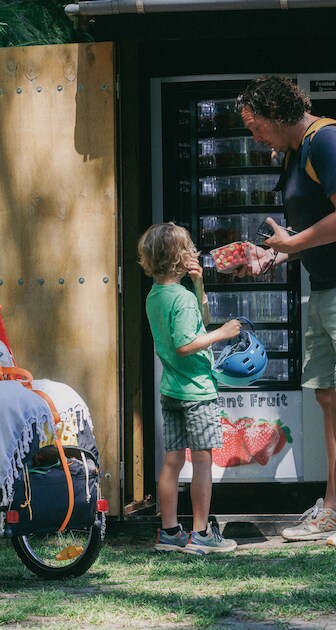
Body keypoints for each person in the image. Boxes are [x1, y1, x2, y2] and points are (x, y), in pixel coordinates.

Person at [235, 75, 336, 548]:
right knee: (329, 395)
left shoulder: (326, 141)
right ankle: (334, 508)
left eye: (256, 126)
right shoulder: (295, 150)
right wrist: (277, 254)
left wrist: (292, 243)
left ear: (278, 113)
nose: (255, 137)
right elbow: (316, 226)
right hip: (327, 286)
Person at [139, 222, 241, 554]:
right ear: (181, 256)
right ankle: (201, 534)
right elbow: (188, 342)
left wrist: (199, 284)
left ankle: (170, 532)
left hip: (171, 389)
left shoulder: (157, 295)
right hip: (196, 390)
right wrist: (223, 335)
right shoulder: (179, 298)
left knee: (172, 462)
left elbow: (200, 318)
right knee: (201, 463)